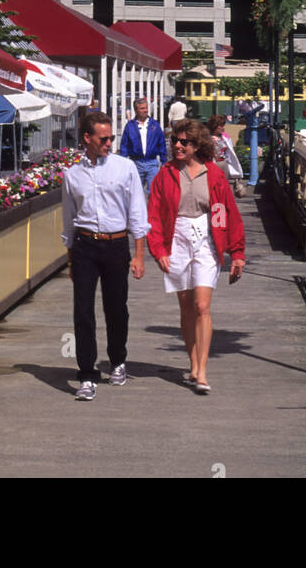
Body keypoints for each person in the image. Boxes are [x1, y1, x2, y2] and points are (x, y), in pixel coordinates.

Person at [147, 119, 245, 393]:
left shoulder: (213, 174)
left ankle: (202, 371)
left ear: (196, 145)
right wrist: (159, 250)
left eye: (184, 142)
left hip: (206, 238)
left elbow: (228, 213)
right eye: (175, 141)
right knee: (186, 306)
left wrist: (237, 252)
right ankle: (192, 362)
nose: (177, 145)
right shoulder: (164, 174)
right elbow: (153, 216)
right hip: (176, 238)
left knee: (202, 306)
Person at [61, 110, 148, 401]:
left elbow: (137, 212)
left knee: (116, 308)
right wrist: (71, 259)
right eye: (104, 138)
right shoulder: (72, 175)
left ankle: (118, 360)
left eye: (111, 137)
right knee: (82, 311)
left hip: (116, 245)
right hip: (85, 246)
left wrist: (139, 255)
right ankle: (87, 374)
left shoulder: (125, 168)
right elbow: (69, 220)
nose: (109, 143)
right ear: (87, 138)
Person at [119, 97, 167, 196]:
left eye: (146, 108)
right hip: (136, 163)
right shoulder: (130, 126)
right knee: (135, 193)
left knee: (154, 193)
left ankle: (152, 211)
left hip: (152, 163)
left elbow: (161, 143)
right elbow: (124, 145)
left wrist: (164, 161)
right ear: (136, 110)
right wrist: (122, 164)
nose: (145, 110)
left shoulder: (155, 125)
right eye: (142, 108)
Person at [208, 114, 245, 197]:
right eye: (220, 126)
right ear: (214, 126)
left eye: (223, 125)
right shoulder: (207, 138)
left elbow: (231, 153)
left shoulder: (225, 137)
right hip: (211, 165)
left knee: (223, 187)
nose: (223, 128)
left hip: (223, 164)